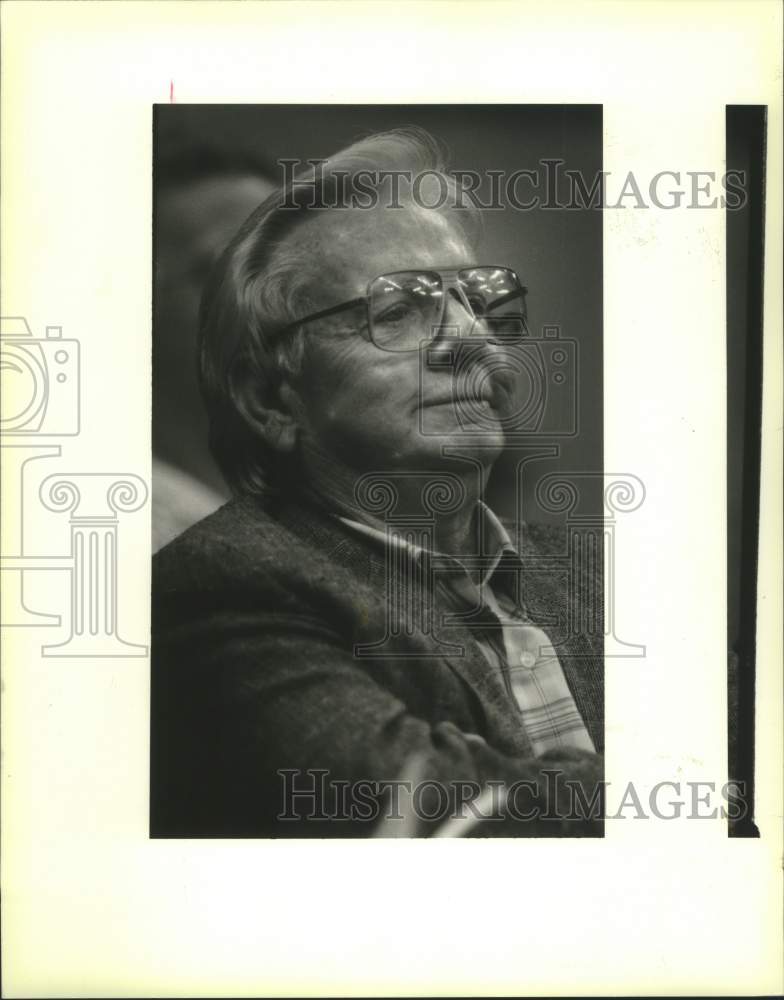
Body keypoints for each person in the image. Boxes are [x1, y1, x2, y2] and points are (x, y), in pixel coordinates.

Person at [150, 128, 604, 838]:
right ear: (271, 399)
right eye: (397, 311)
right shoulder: (218, 583)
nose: (472, 339)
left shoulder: (598, 567)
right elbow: (451, 823)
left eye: (480, 303)